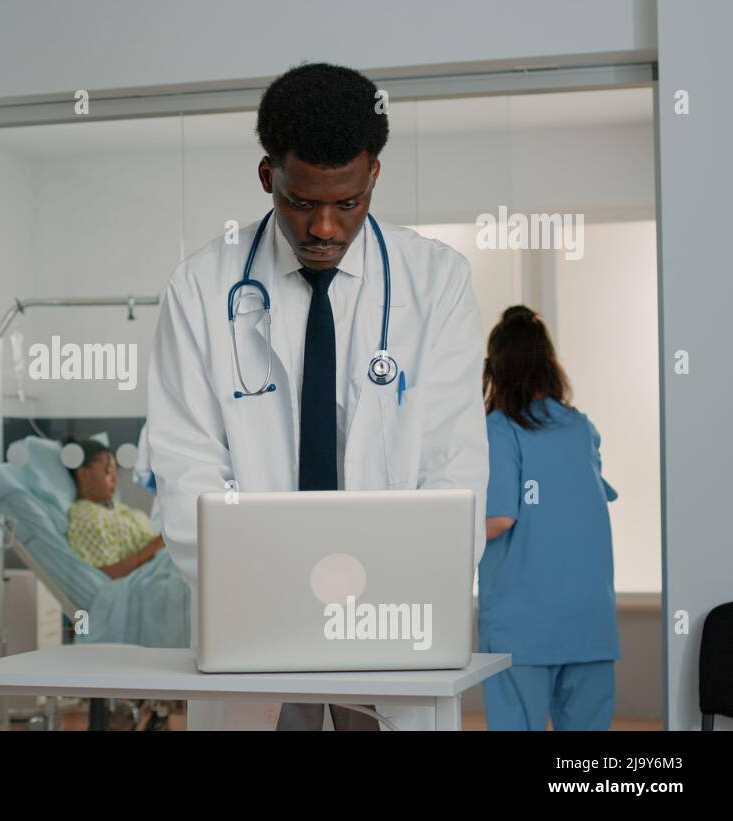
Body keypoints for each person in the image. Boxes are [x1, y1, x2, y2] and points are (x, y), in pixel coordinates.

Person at [145, 62, 488, 731]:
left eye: (348, 203)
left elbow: (455, 473)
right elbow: (185, 476)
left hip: (393, 631)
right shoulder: (199, 290)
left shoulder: (437, 283)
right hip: (254, 636)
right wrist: (276, 608)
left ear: (374, 178)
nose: (325, 227)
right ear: (268, 176)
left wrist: (385, 611)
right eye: (302, 202)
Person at [480, 305, 619, 730]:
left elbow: (499, 518)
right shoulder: (581, 427)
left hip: (521, 628)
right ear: (548, 365)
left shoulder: (500, 428)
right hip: (589, 624)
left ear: (495, 368)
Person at [65, 439, 165, 580]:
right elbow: (105, 575)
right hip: (154, 576)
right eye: (107, 472)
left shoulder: (114, 507)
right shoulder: (85, 518)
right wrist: (157, 545)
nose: (115, 479)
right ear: (84, 475)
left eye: (115, 472)